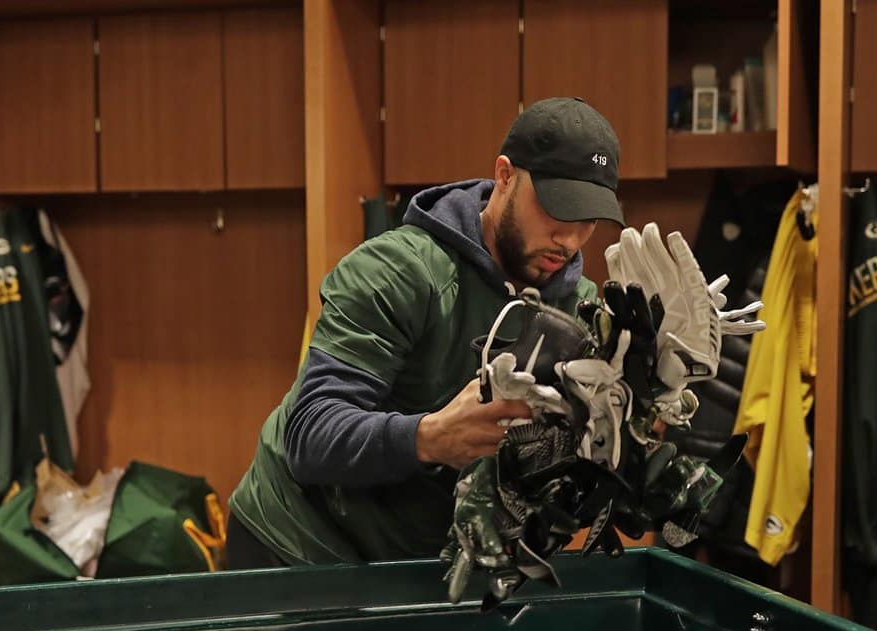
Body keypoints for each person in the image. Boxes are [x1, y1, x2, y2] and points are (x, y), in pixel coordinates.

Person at [227, 98, 626, 568]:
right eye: (560, 210)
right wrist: (427, 437)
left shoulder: (583, 310)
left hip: (414, 561)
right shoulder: (398, 270)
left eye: (589, 221)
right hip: (295, 541)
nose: (571, 239)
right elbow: (309, 435)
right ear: (504, 177)